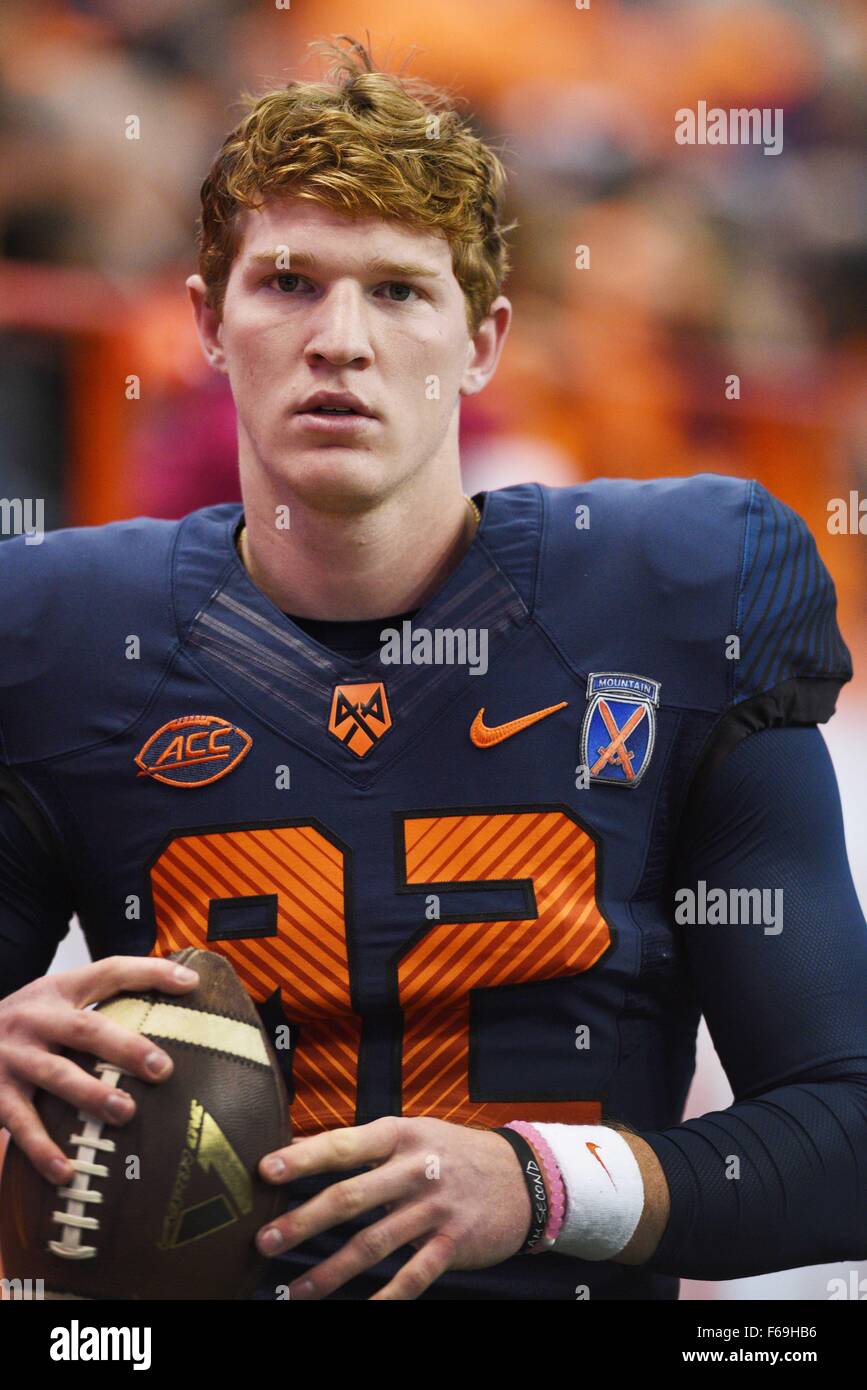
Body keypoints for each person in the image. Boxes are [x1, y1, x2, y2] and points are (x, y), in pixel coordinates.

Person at [0, 35, 864, 1301]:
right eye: (288, 283)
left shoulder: (678, 594)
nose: (340, 339)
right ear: (204, 326)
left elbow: (845, 1131)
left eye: (400, 291)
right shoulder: (63, 629)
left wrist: (538, 1186)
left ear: (484, 345)